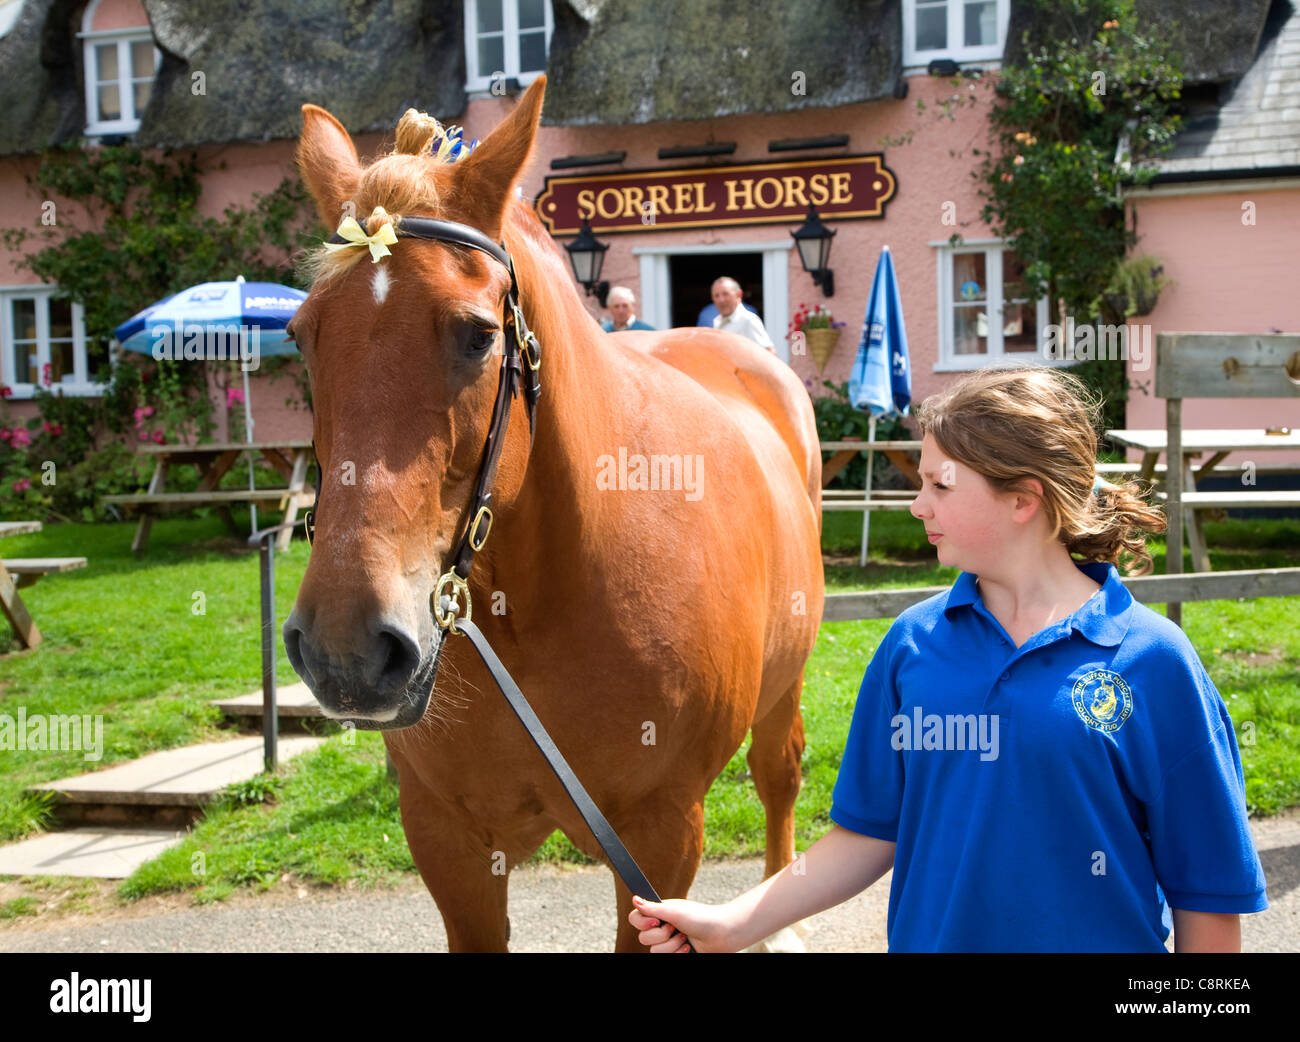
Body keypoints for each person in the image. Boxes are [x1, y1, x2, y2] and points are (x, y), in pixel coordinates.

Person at [629, 365, 1268, 953]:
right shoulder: (912, 647)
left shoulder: (1155, 662)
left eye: (940, 484)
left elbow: (1206, 899)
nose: (918, 503)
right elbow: (867, 834)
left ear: (1024, 499)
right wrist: (734, 923)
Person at [710, 277, 773, 351]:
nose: (721, 300)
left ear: (739, 295)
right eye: (716, 296)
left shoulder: (749, 320)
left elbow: (769, 353)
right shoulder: (717, 321)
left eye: (725, 294)